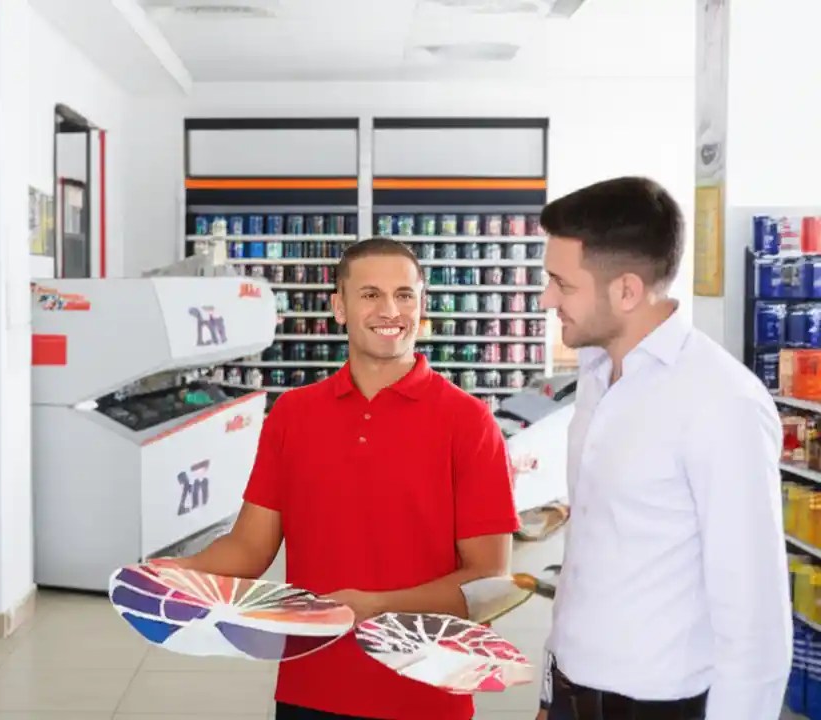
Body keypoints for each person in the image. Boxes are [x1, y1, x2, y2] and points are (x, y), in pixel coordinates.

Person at [170, 238, 520, 720]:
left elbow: (486, 579)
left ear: (422, 306)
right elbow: (249, 548)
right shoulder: (293, 416)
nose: (390, 310)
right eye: (371, 294)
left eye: (405, 295)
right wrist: (174, 574)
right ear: (339, 306)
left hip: (426, 693)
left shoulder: (468, 421)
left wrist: (373, 606)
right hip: (310, 685)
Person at [533, 177, 792, 720]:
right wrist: (548, 692)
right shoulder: (598, 378)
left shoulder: (721, 401)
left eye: (562, 283)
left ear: (626, 290)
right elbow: (586, 557)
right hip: (571, 694)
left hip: (656, 707)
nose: (547, 299)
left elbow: (755, 620)